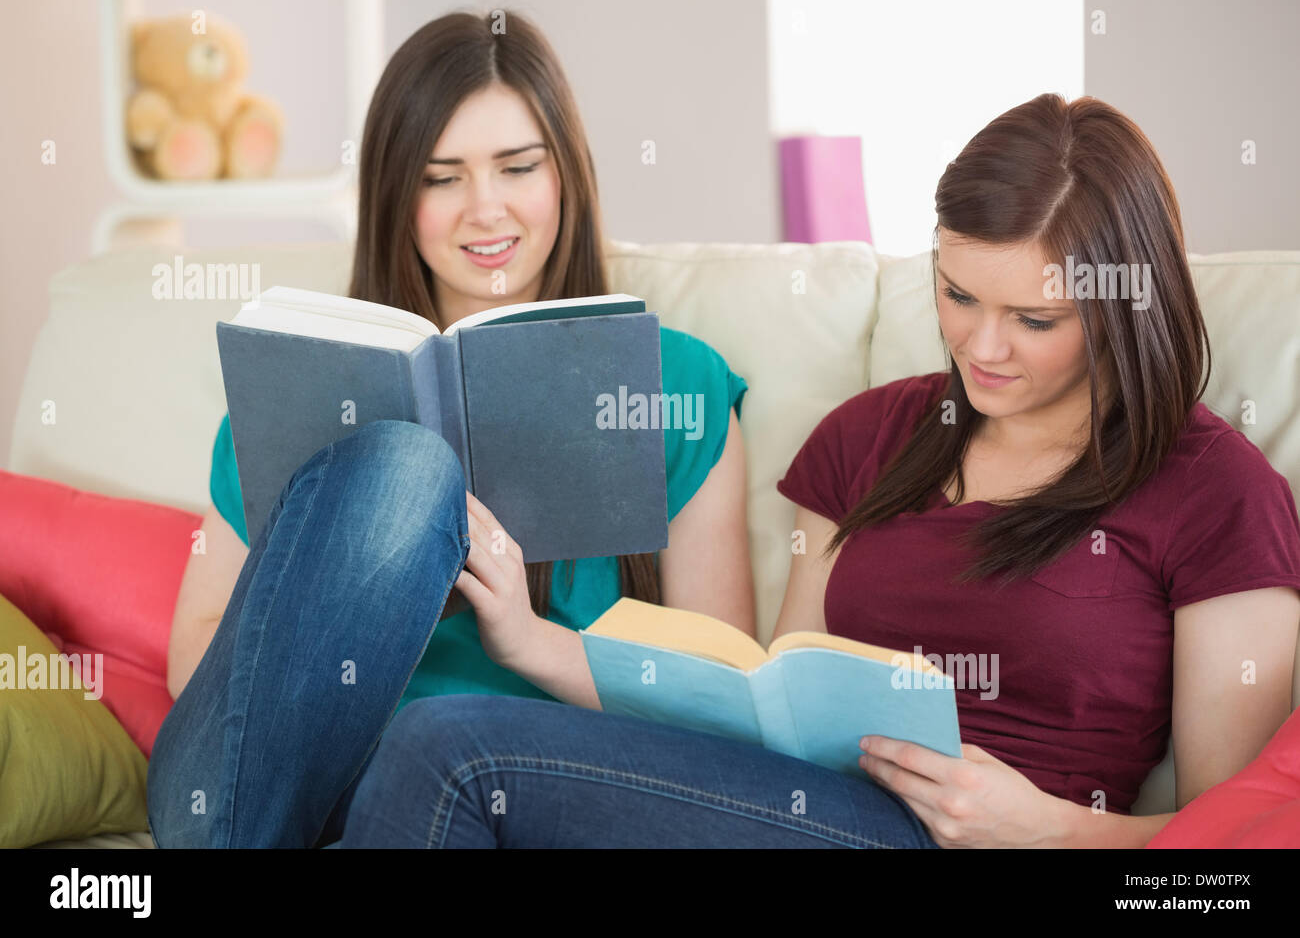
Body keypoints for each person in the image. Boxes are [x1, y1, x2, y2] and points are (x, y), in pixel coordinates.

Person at [336, 93, 1300, 849]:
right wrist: (530, 640)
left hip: (982, 841)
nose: (981, 346)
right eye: (957, 295)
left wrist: (1048, 830)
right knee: (440, 743)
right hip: (791, 809)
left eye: (1034, 320)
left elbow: (1231, 852)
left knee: (449, 752)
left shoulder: (1217, 493)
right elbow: (761, 700)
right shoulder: (871, 437)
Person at [147, 10, 754, 849]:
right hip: (295, 787)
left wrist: (530, 644)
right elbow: (196, 659)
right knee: (400, 464)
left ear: (566, 176)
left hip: (514, 789)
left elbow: (722, 696)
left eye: (518, 167)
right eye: (442, 178)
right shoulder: (300, 386)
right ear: (397, 196)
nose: (485, 209)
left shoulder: (675, 385)